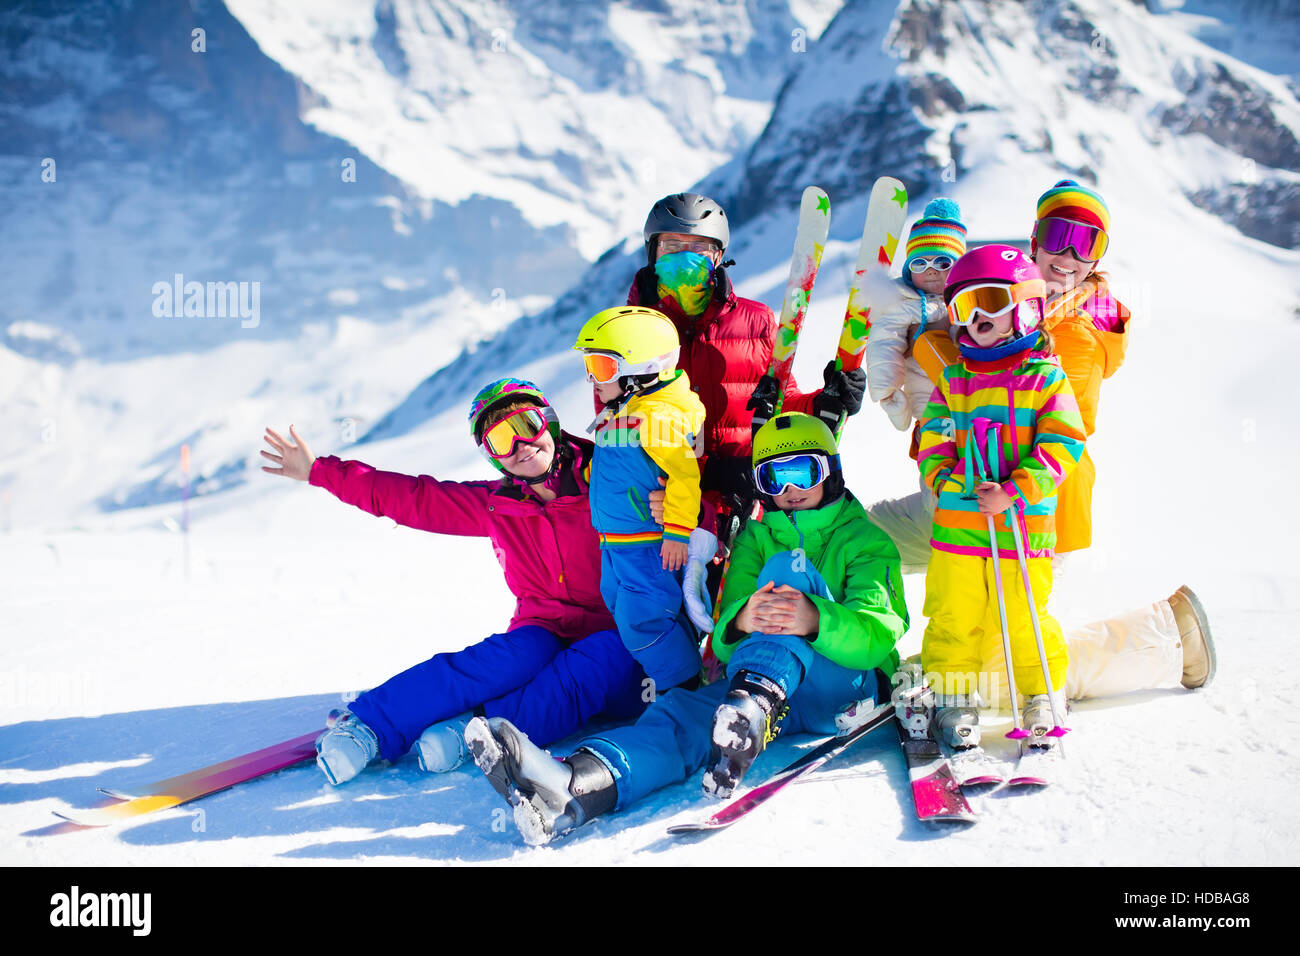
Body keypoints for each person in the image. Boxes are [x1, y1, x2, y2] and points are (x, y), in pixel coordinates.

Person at [461, 412, 908, 845]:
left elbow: (878, 635)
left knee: (788, 574)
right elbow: (730, 646)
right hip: (763, 692)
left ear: (831, 473)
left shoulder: (865, 540)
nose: (790, 489)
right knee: (680, 712)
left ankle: (751, 708)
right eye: (774, 478)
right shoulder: (754, 537)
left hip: (846, 688)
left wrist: (815, 618)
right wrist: (740, 620)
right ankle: (575, 787)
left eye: (803, 472)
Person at [871, 180, 1215, 701]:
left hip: (1028, 504)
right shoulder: (1008, 288)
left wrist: (936, 353)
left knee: (1012, 654)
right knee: (862, 543)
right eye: (1059, 235)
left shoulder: (1084, 324)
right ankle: (827, 639)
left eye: (1087, 244)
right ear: (1035, 238)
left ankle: (1168, 637)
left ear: (1099, 256)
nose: (1069, 256)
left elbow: (1039, 412)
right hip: (958, 495)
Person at [260, 378, 650, 785]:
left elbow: (685, 498)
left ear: (548, 423)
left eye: (526, 425)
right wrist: (320, 471)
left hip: (624, 645)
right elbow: (414, 498)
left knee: (599, 657)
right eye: (501, 439)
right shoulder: (499, 505)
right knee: (515, 655)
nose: (520, 445)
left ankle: (475, 732)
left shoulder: (610, 480)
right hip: (545, 630)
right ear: (492, 457)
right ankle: (370, 727)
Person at [916, 246, 1085, 747]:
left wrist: (1015, 491)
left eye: (990, 301)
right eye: (965, 308)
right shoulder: (954, 379)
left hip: (1022, 530)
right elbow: (934, 438)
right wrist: (949, 483)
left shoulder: (1044, 378)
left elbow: (1063, 442)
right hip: (957, 533)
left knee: (1025, 610)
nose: (978, 318)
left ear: (1025, 306)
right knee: (953, 614)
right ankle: (955, 696)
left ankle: (1040, 694)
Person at [573, 306, 709, 694]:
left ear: (641, 369)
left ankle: (680, 689)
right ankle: (671, 674)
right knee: (624, 609)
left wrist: (677, 532)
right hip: (615, 541)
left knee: (642, 620)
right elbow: (625, 464)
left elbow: (684, 476)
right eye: (589, 367)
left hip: (645, 543)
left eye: (601, 368)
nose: (591, 380)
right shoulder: (628, 411)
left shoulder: (656, 417)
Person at [865, 198, 967, 435]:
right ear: (909, 271)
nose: (931, 270)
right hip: (924, 391)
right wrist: (886, 389)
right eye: (920, 263)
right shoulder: (902, 302)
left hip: (968, 391)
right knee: (935, 447)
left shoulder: (969, 300)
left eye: (943, 262)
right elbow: (884, 341)